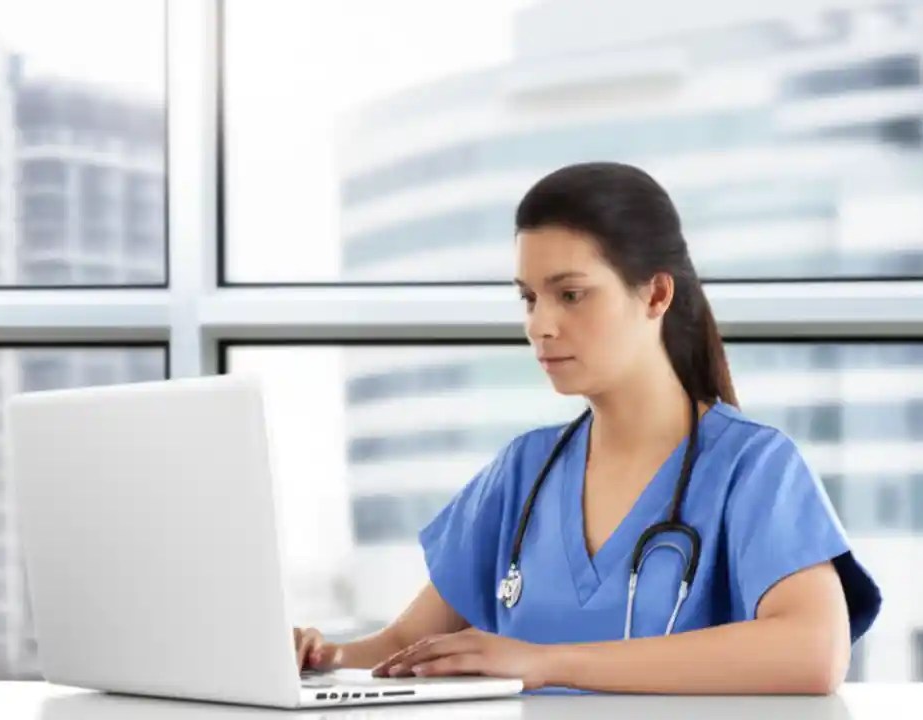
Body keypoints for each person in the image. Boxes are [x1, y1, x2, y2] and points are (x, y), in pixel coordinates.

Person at [293, 161, 881, 694]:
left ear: (656, 294)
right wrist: (321, 655)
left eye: (571, 295)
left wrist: (548, 662)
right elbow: (406, 645)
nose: (540, 325)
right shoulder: (523, 472)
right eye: (529, 299)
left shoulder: (752, 466)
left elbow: (814, 651)